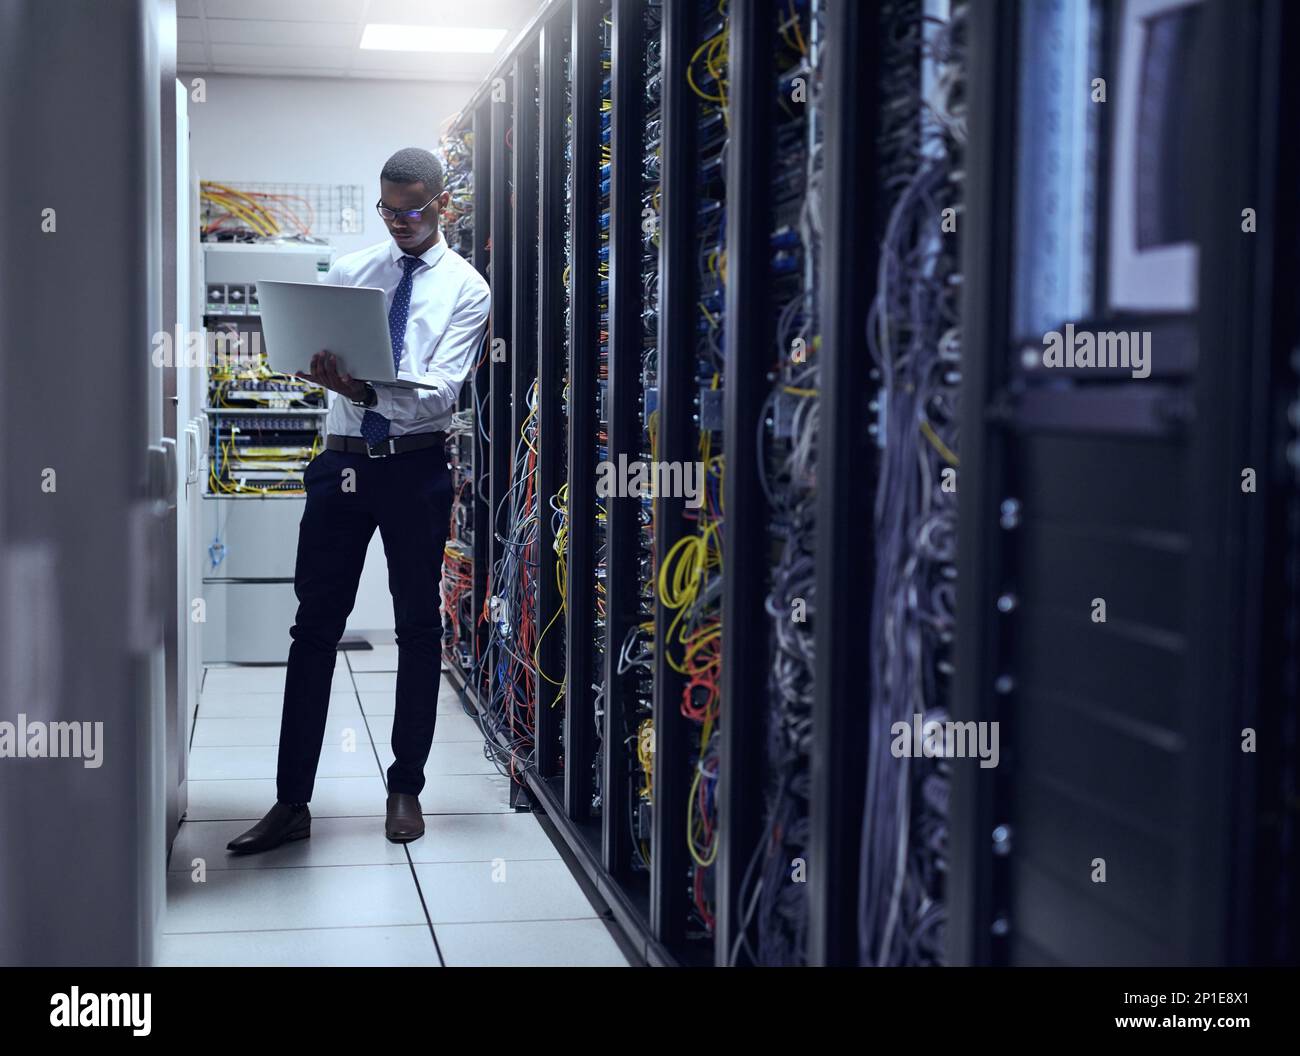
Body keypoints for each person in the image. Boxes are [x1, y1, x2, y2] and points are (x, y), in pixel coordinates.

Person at [227, 147, 490, 854]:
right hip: (340, 466)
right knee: (314, 628)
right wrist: (321, 374)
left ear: (442, 205)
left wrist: (364, 391)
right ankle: (291, 802)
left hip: (414, 469)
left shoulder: (467, 289)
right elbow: (320, 363)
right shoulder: (349, 273)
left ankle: (406, 786)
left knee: (417, 628)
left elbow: (442, 392)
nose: (399, 221)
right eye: (388, 209)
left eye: (412, 209)